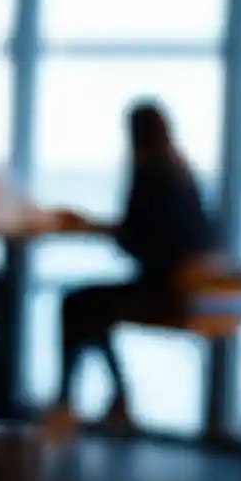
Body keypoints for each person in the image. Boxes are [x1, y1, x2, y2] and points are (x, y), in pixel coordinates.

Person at [45, 101, 214, 435]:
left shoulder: (151, 172)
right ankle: (114, 398)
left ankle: (71, 401)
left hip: (164, 290)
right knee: (89, 310)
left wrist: (92, 228)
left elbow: (135, 239)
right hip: (181, 287)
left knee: (78, 305)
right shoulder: (180, 171)